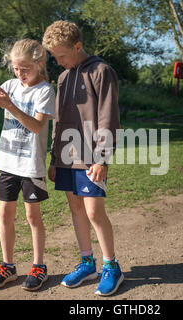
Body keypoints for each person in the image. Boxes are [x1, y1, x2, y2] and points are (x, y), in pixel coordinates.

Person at [42, 20, 123, 296]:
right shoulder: (63, 78)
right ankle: (87, 262)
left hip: (91, 158)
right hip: (66, 156)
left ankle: (112, 266)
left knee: (93, 212)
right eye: (54, 56)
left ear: (78, 46)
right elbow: (59, 121)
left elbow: (108, 117)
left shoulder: (102, 71)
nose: (58, 61)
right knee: (76, 210)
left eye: (62, 55)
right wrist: (54, 158)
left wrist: (102, 158)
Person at [0, 39, 55, 291]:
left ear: (39, 64)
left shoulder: (45, 91)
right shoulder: (9, 85)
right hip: (7, 163)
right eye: (16, 69)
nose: (20, 74)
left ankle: (38, 266)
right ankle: (7, 266)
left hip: (31, 166)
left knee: (32, 216)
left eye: (25, 69)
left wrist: (10, 105)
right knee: (4, 215)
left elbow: (37, 126)